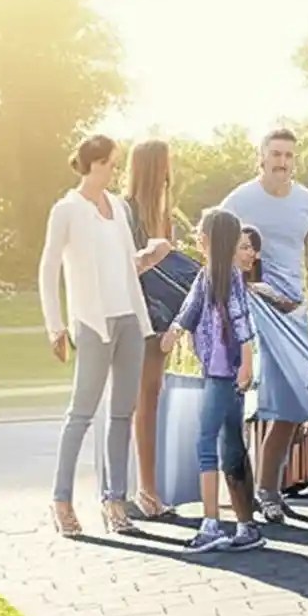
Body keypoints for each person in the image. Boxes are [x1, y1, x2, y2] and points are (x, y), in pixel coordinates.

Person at [39, 134, 170, 537]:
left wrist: (150, 255)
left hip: (130, 319)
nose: (116, 171)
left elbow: (126, 264)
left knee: (121, 414)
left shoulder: (115, 207)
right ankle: (61, 500)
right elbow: (47, 270)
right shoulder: (67, 210)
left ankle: (114, 501)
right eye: (112, 164)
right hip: (93, 323)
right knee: (81, 413)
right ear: (94, 164)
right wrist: (56, 326)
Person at [220, 128, 308, 523]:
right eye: (276, 154)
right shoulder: (239, 200)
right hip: (248, 311)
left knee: (290, 405)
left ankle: (268, 489)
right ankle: (243, 491)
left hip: (293, 314)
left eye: (289, 156)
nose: (282, 161)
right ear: (262, 156)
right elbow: (213, 246)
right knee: (244, 401)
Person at [160, 207, 266, 553]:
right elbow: (190, 308)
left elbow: (242, 321)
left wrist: (247, 363)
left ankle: (211, 524)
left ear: (208, 240)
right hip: (223, 373)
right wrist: (174, 332)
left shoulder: (229, 278)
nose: (196, 238)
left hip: (224, 375)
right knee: (231, 443)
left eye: (200, 234)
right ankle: (246, 526)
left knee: (206, 442)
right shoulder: (210, 275)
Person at [123, 138, 178, 520]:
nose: (169, 175)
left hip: (162, 319)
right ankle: (136, 490)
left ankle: (147, 488)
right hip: (132, 316)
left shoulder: (166, 217)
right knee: (133, 400)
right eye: (165, 166)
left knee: (151, 398)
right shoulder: (124, 213)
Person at [238, 225, 300, 313]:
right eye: (245, 248)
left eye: (255, 249)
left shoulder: (264, 289)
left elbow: (293, 311)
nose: (251, 254)